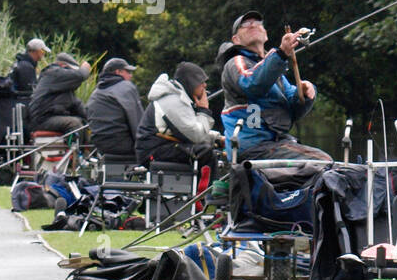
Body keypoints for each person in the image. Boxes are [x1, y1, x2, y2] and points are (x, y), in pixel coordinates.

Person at [215, 11, 330, 162]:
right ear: (236, 39)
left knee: (323, 163)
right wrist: (281, 54)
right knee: (322, 161)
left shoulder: (274, 70)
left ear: (266, 35)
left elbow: (291, 107)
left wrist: (305, 93)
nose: (253, 26)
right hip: (252, 148)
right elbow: (252, 84)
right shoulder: (235, 63)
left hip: (274, 145)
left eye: (258, 24)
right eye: (246, 25)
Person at [135, 62, 221, 171]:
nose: (205, 86)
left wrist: (216, 138)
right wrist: (204, 111)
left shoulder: (179, 98)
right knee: (206, 153)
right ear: (191, 83)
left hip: (162, 147)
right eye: (201, 82)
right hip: (153, 152)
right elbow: (197, 136)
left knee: (206, 150)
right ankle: (206, 189)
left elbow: (189, 129)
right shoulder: (173, 101)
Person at [86, 58, 143, 159]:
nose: (131, 75)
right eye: (128, 72)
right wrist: (145, 147)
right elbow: (137, 122)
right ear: (118, 72)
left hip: (101, 147)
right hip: (122, 146)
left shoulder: (96, 92)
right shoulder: (126, 87)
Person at [27, 53, 91, 134]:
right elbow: (81, 75)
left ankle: (87, 146)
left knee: (83, 123)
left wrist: (91, 118)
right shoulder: (54, 73)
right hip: (42, 119)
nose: (71, 74)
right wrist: (85, 67)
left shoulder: (65, 88)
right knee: (74, 123)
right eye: (71, 70)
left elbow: (77, 105)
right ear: (62, 65)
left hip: (52, 117)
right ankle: (75, 146)